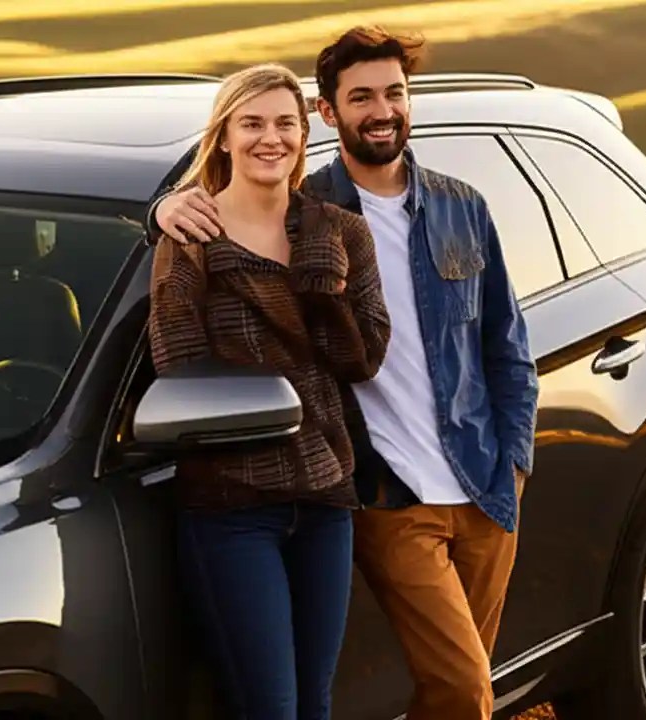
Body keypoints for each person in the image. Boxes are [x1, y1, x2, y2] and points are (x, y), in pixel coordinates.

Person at [146, 28, 539, 720]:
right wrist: (160, 210)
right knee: (464, 689)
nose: (382, 110)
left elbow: (506, 345)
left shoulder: (455, 207)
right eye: (361, 98)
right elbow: (187, 345)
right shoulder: (307, 212)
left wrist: (515, 460)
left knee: (458, 686)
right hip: (382, 490)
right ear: (329, 115)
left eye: (394, 93)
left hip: (482, 484)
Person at [147, 62, 390, 720]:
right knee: (270, 710)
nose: (269, 138)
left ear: (303, 134)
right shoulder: (188, 237)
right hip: (233, 507)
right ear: (223, 136)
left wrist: (322, 289)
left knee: (314, 704)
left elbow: (363, 359)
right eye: (251, 123)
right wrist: (164, 206)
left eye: (285, 123)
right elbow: (178, 363)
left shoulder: (341, 233)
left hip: (325, 499)